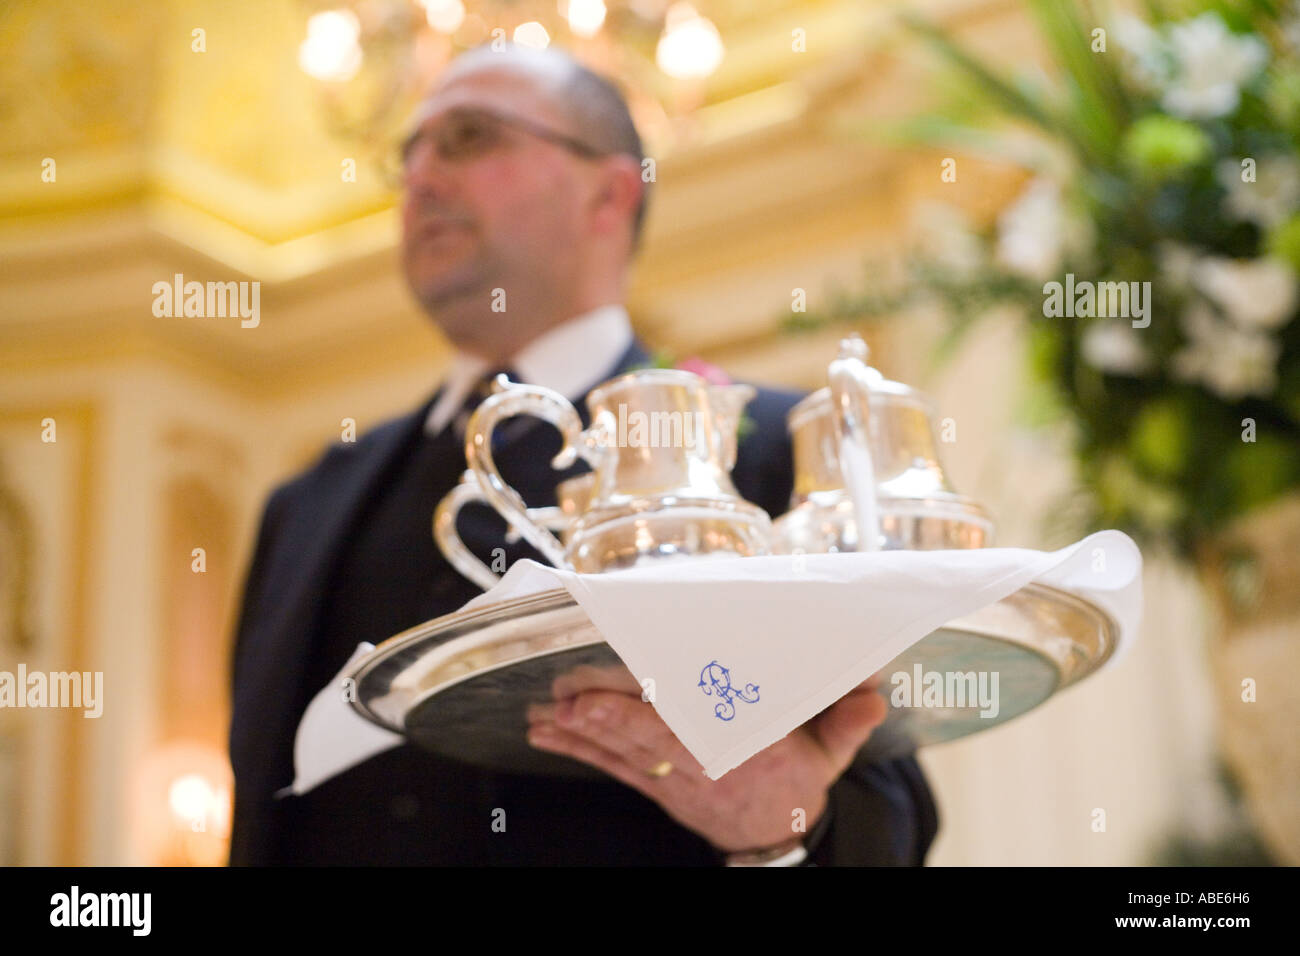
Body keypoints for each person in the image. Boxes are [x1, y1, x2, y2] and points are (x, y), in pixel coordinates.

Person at [227, 44, 938, 865]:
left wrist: (785, 829)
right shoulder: (306, 504)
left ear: (610, 191)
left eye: (468, 137)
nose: (419, 177)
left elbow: (890, 817)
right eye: (407, 152)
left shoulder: (772, 451)